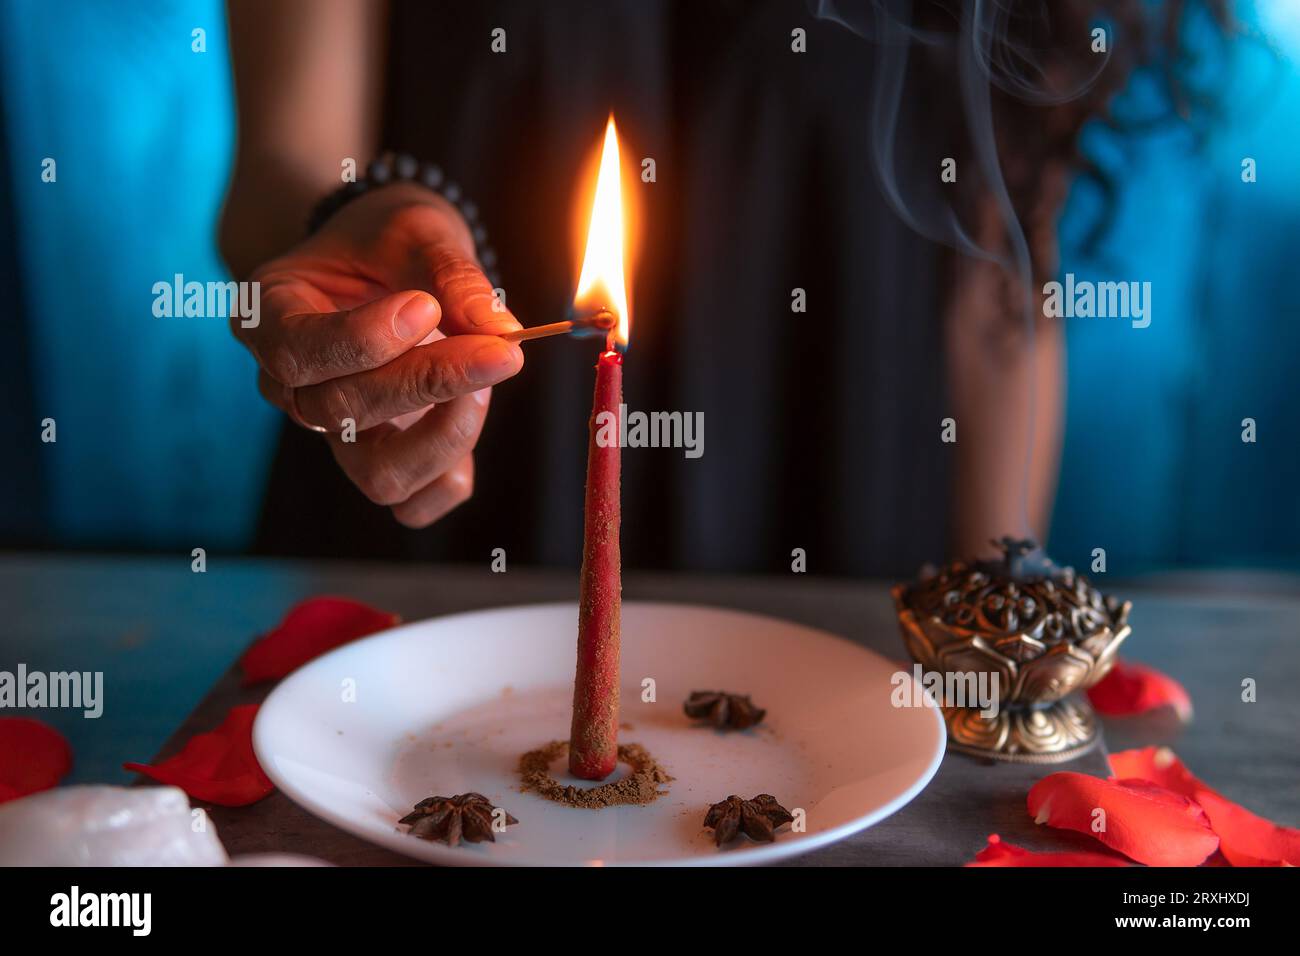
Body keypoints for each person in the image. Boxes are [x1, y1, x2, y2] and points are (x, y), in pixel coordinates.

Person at [221, 0, 1222, 574]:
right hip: (432, 555)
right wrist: (339, 246)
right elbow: (282, 163)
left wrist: (1000, 611)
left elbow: (1002, 263)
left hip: (839, 537)